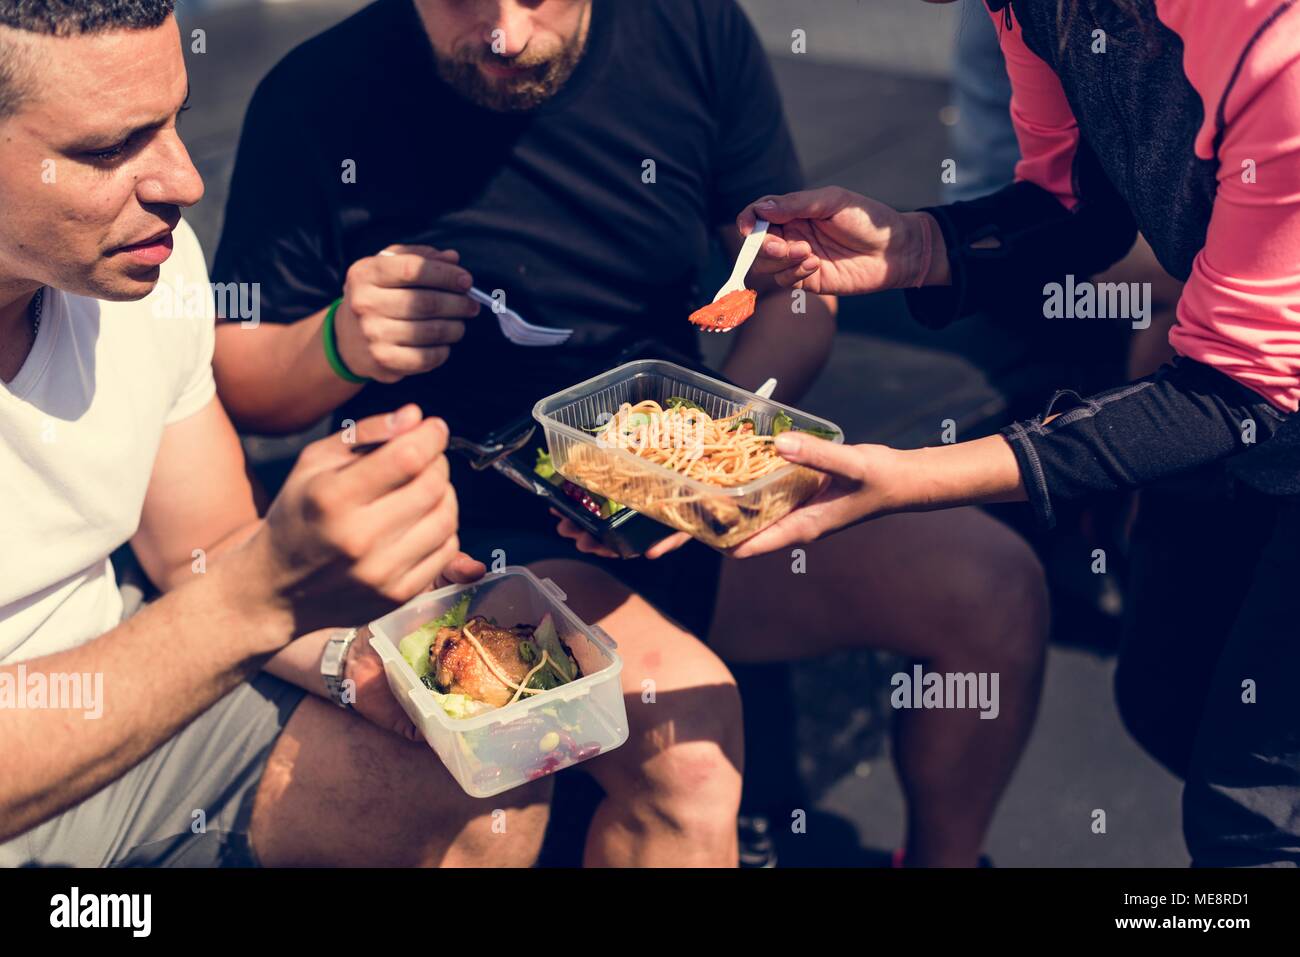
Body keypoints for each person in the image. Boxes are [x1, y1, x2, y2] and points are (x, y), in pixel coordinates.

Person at [211, 0, 1048, 867]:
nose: (505, 34)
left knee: (994, 587)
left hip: (686, 510)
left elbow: (794, 295)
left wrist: (704, 452)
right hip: (475, 538)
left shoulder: (691, 28)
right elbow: (243, 378)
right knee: (690, 757)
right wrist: (338, 344)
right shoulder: (318, 94)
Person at [735, 0, 1300, 866]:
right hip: (1263, 395)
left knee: (1253, 819)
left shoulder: (1276, 44)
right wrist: (922, 245)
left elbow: (1236, 388)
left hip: (1254, 389)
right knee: (1169, 699)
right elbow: (1077, 205)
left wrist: (915, 477)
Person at [0, 1, 551, 868]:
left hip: (128, 685)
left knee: (483, 780)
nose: (184, 183)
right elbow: (232, 591)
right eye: (110, 148)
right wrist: (256, 598)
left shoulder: (146, 268)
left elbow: (206, 544)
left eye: (174, 120)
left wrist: (350, 647)